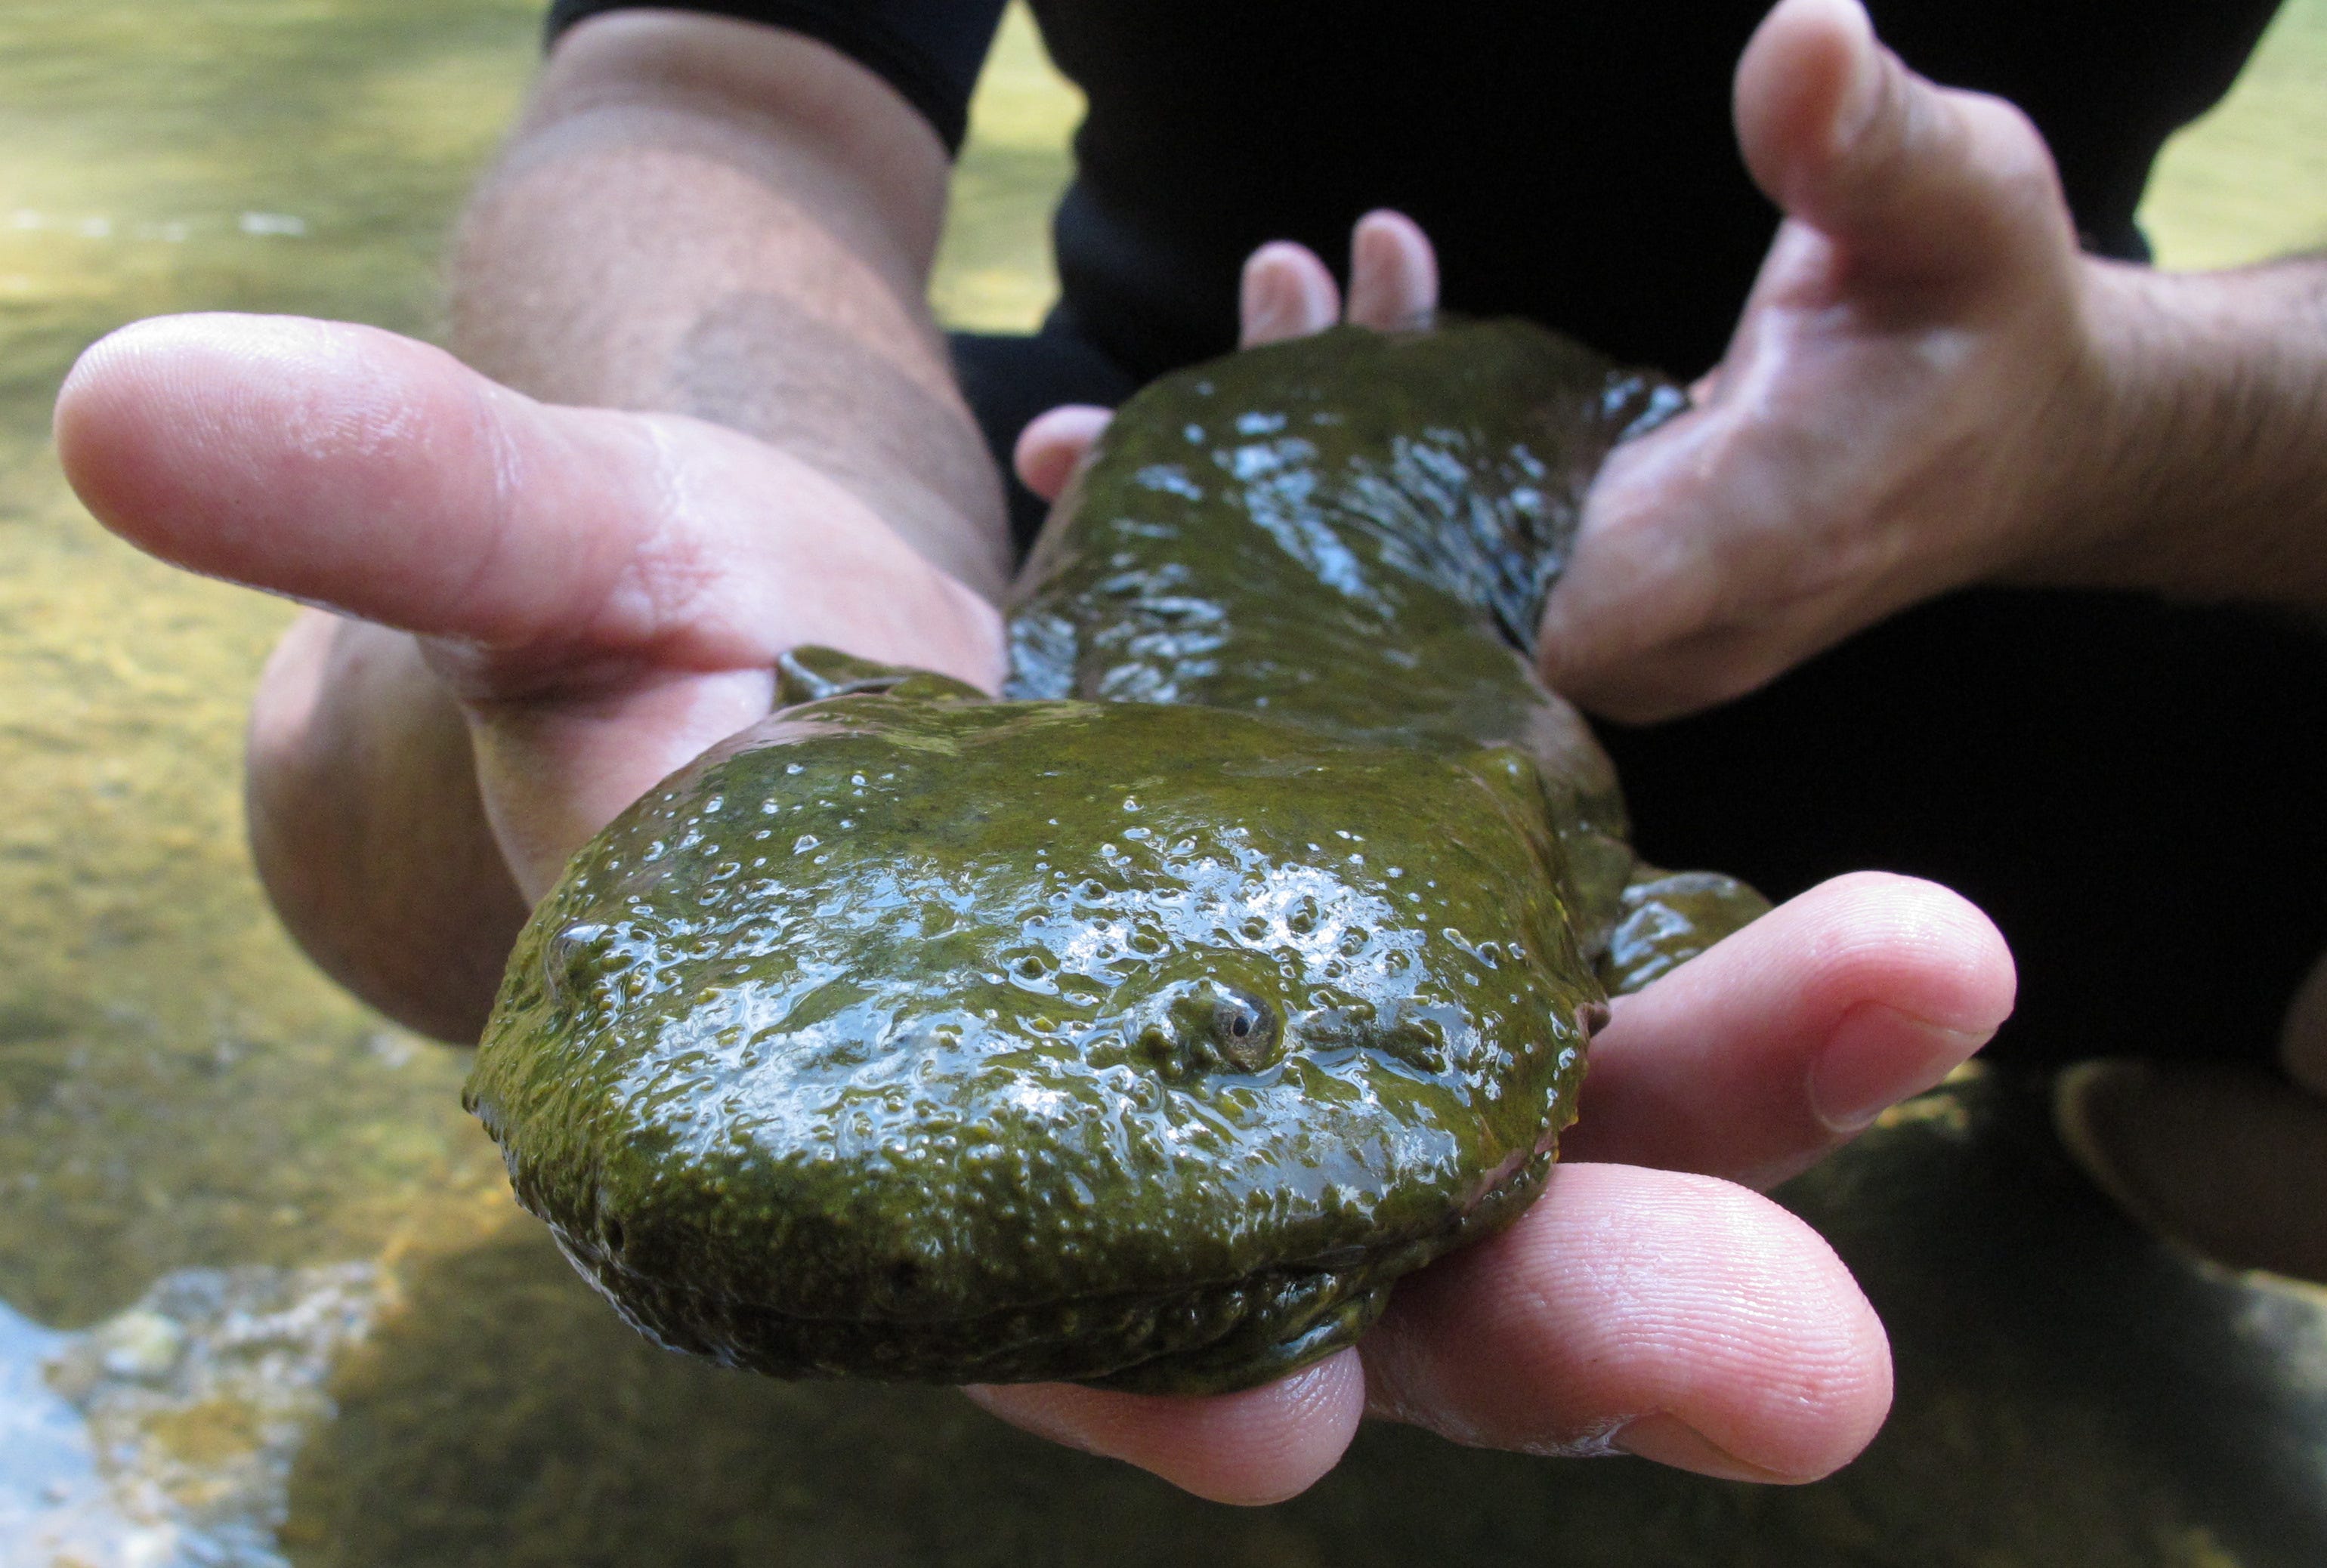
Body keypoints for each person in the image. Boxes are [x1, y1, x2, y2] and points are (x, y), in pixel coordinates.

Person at [47, 0, 2326, 1506]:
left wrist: (2114, 405)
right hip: (1142, 439)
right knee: (373, 726)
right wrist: (820, 493)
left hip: (2019, 476)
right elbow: (715, 79)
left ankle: (2116, 1132)